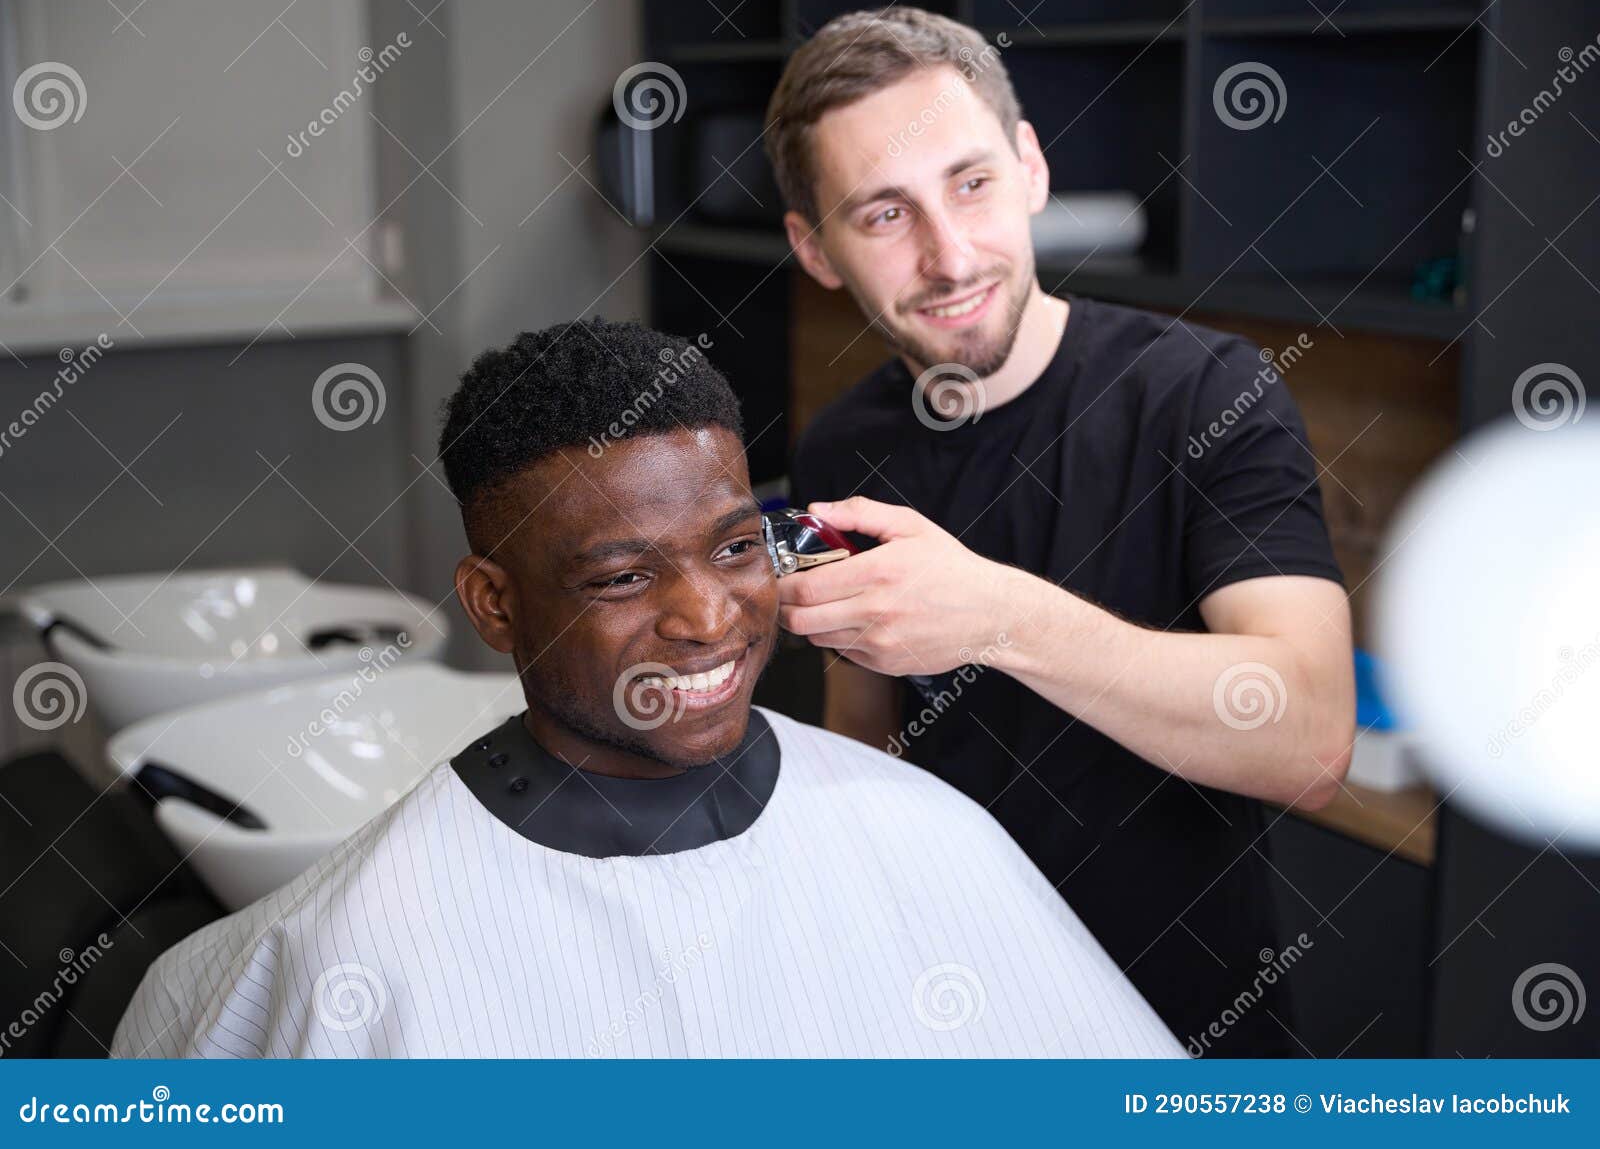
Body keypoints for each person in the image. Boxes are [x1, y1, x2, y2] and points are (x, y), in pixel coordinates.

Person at [110, 317, 1183, 1059]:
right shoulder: (352, 948)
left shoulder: (931, 836)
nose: (708, 617)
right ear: (493, 604)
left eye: (734, 548)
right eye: (624, 577)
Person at [765, 8, 1356, 1056]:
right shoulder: (840, 451)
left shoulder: (1207, 392)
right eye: (885, 214)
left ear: (1031, 168)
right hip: (955, 1026)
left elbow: (1310, 736)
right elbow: (862, 725)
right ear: (815, 248)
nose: (951, 256)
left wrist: (997, 614)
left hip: (1188, 1044)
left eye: (971, 183)